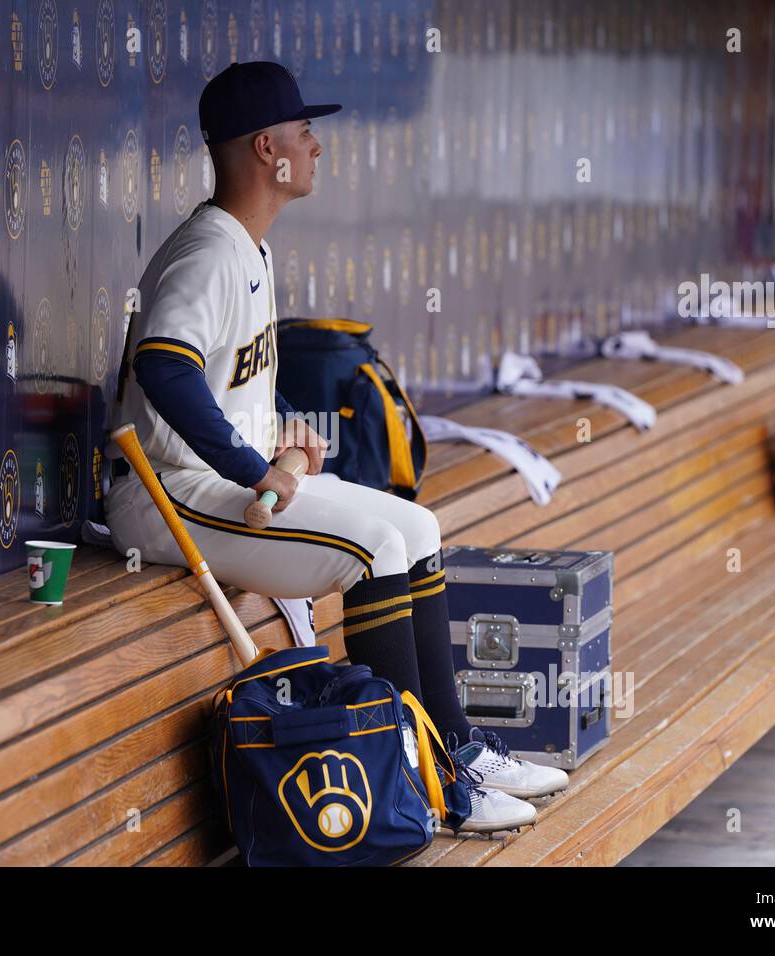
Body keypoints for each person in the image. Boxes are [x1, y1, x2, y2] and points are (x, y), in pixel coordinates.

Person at [104, 61, 566, 833]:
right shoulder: (210, 251)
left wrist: (283, 426)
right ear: (264, 149)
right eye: (304, 130)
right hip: (167, 496)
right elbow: (163, 368)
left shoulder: (250, 245)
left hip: (225, 487)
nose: (316, 145)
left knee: (416, 528)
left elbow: (231, 377)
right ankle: (422, 785)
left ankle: (451, 748)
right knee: (375, 549)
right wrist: (256, 468)